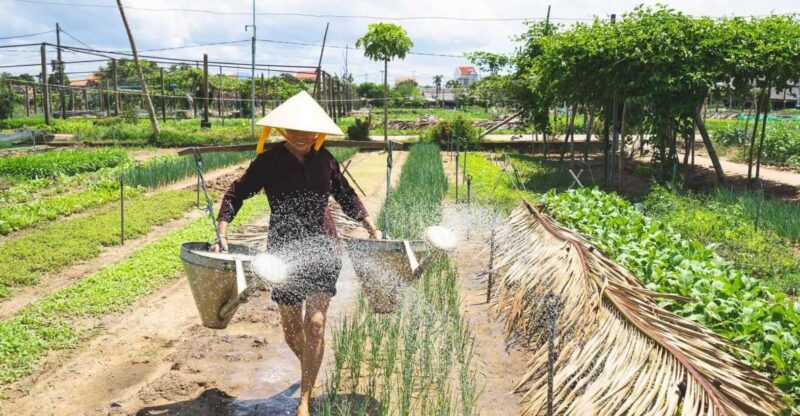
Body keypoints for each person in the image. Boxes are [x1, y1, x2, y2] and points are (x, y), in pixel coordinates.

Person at [210, 91, 381, 416]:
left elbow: (346, 195)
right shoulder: (269, 162)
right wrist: (222, 233)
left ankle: (304, 399)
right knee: (291, 329)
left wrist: (372, 228)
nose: (301, 135)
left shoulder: (325, 159)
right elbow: (237, 193)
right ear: (283, 130)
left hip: (323, 248)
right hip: (283, 253)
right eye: (294, 129)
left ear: (319, 131)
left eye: (308, 129)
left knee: (314, 323)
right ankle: (312, 370)